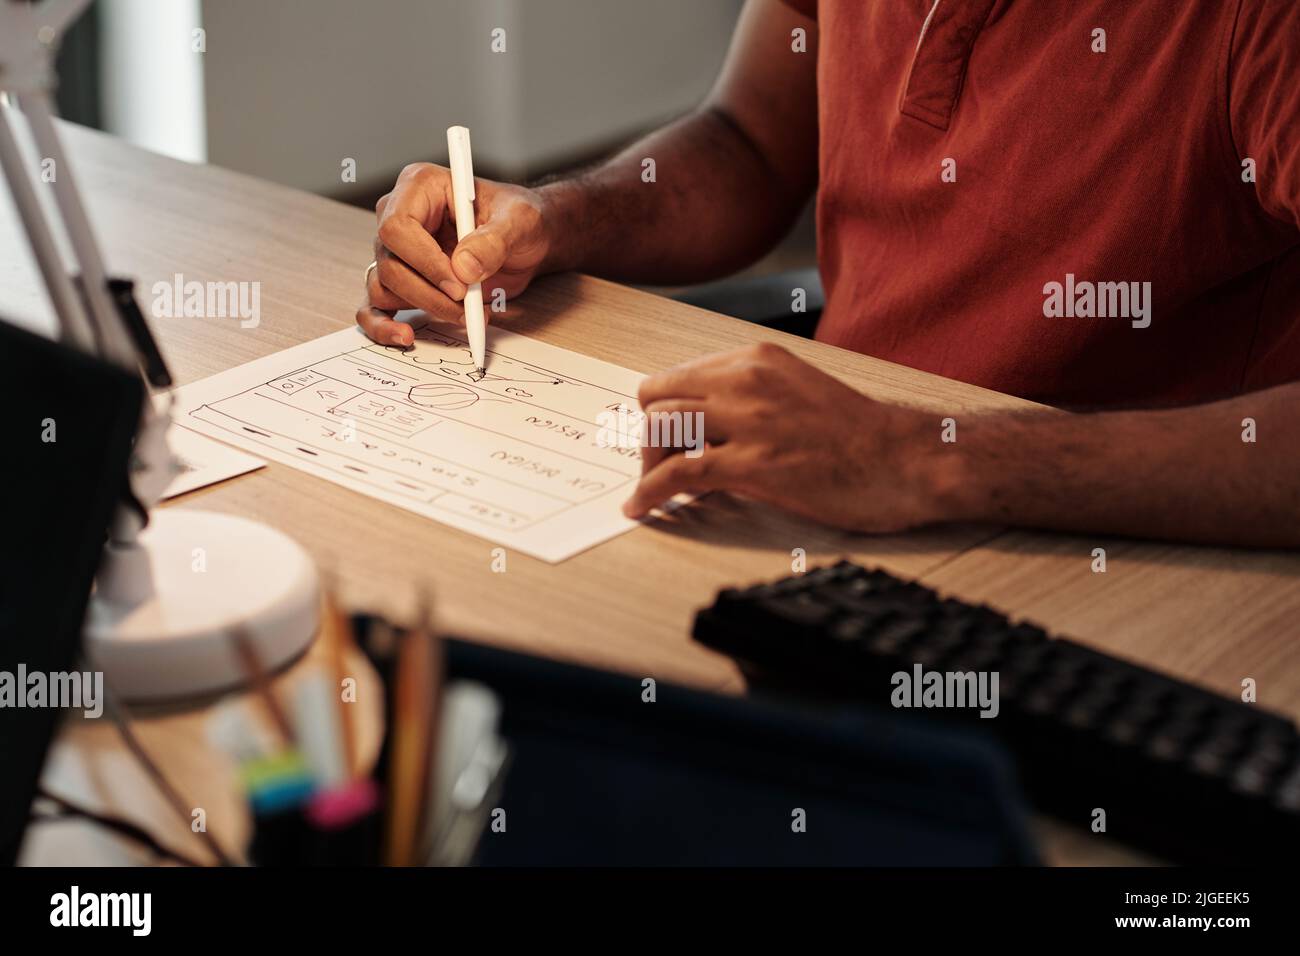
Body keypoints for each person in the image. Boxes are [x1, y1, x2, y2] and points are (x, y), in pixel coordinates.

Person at [356, 0, 1300, 547]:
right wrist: (555, 218)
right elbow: (753, 145)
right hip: (817, 492)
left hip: (1096, 555)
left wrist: (918, 458)